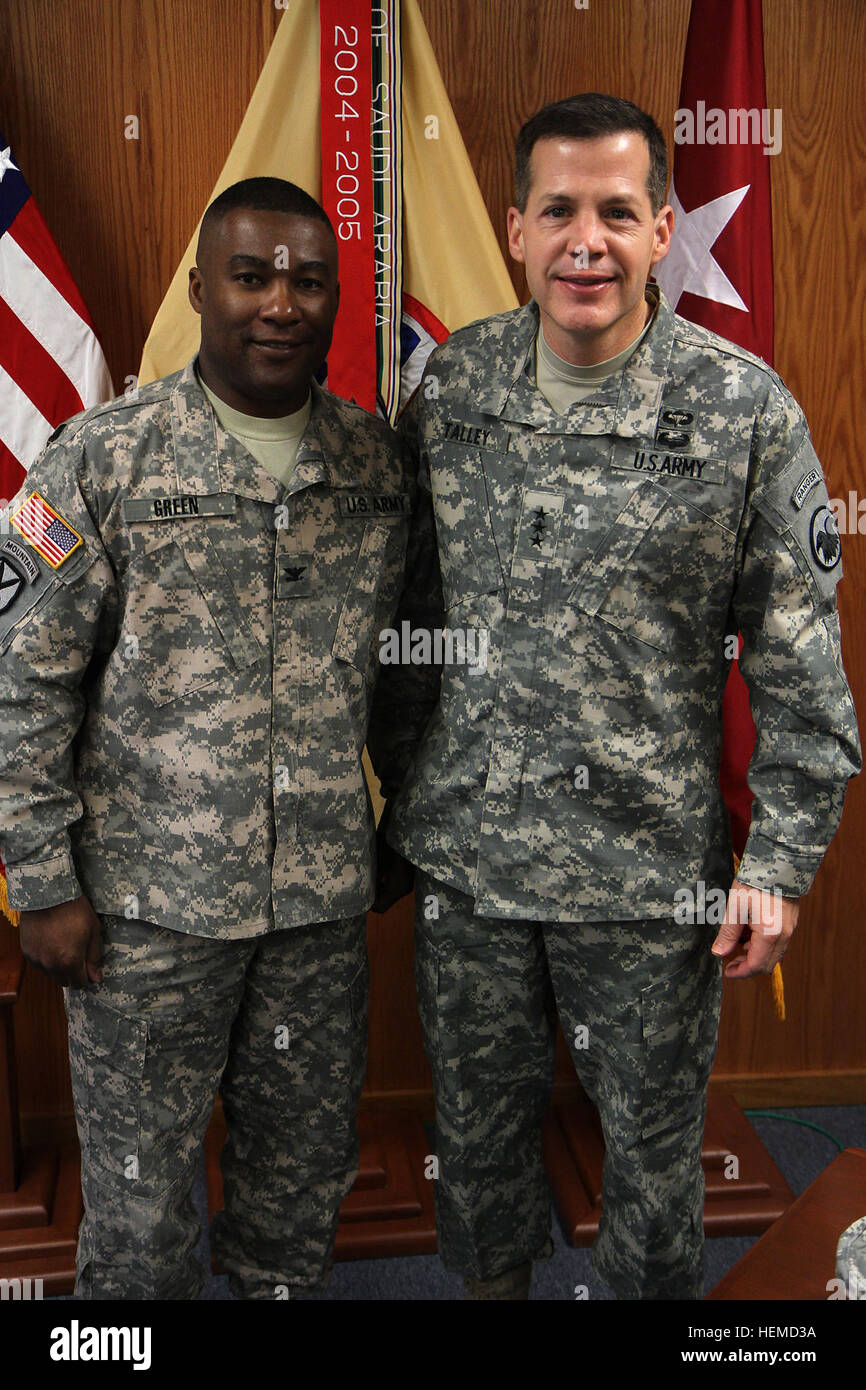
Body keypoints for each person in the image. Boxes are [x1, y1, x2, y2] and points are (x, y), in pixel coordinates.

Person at [369, 94, 861, 1300]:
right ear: (514, 230)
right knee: (475, 1161)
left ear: (661, 230)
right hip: (471, 871)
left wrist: (778, 861)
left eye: (615, 212)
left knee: (649, 1177)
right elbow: (407, 623)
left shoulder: (741, 411)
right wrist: (402, 803)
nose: (584, 241)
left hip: (645, 883)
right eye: (556, 211)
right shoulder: (456, 387)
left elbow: (798, 661)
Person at [0, 178, 409, 1298]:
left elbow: (409, 670)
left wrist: (405, 824)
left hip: (317, 912)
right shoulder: (100, 458)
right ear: (198, 290)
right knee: (137, 1223)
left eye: (308, 280)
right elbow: (21, 681)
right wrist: (42, 883)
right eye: (250, 275)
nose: (280, 302)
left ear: (335, 300)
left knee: (298, 1192)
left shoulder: (377, 467)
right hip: (142, 919)